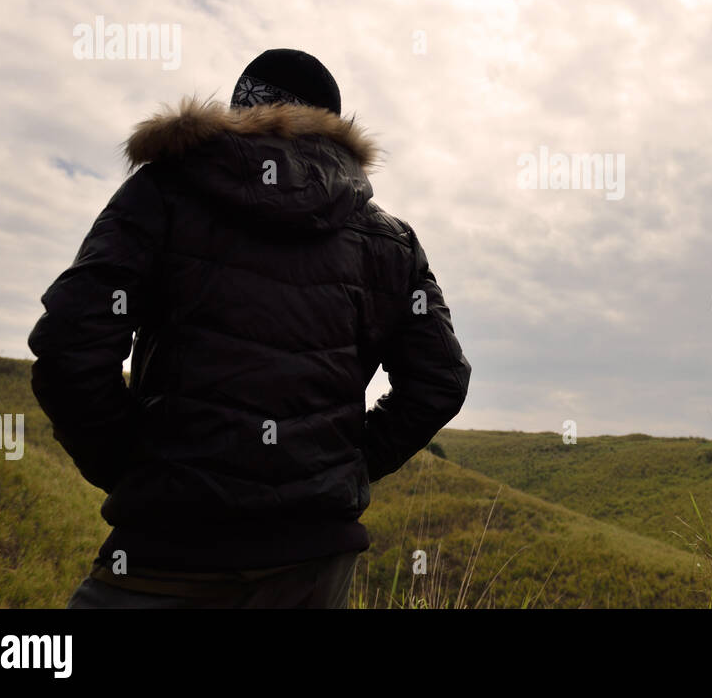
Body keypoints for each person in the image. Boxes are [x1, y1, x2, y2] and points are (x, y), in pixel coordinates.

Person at [27, 48, 471, 608]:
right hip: (313, 565)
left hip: (169, 547)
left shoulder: (163, 193)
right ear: (335, 128)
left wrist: (135, 471)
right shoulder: (389, 242)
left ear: (240, 109)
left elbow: (70, 345)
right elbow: (441, 381)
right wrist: (340, 470)